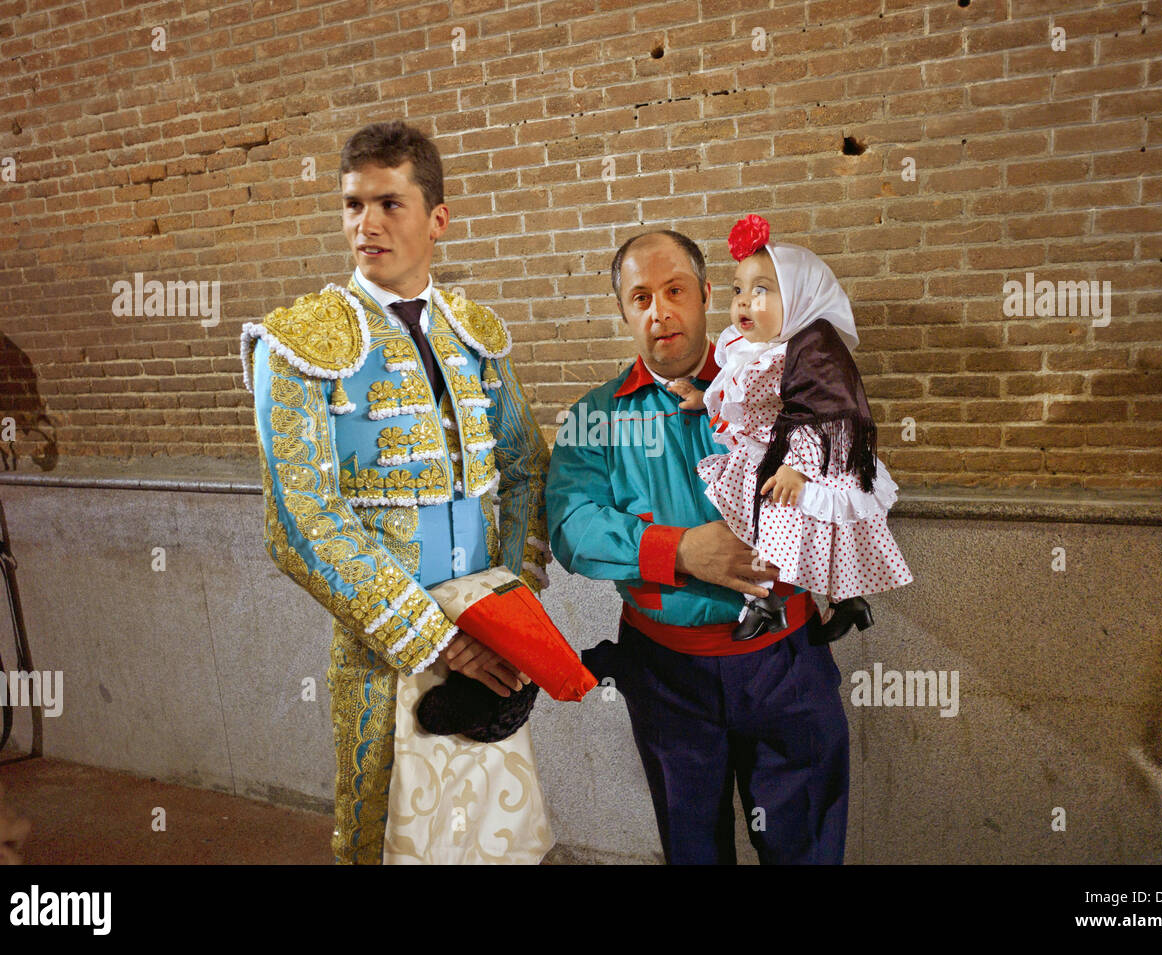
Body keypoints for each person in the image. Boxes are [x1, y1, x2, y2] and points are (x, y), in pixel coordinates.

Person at [241, 121, 553, 864]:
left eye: (389, 203)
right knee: (392, 842)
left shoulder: (476, 334)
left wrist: (506, 609)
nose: (365, 224)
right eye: (352, 204)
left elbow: (525, 466)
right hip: (387, 653)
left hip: (490, 643)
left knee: (491, 836)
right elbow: (298, 521)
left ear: (437, 219)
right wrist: (443, 638)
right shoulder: (296, 345)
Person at [546, 229, 851, 864]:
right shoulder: (592, 419)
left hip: (786, 660)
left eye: (676, 290)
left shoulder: (780, 385)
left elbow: (842, 464)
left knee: (804, 848)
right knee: (693, 851)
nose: (661, 311)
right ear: (625, 311)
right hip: (667, 675)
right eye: (641, 297)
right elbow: (572, 527)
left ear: (708, 294)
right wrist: (680, 551)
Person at [667, 214, 913, 641]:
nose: (743, 302)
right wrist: (701, 398)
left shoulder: (812, 351)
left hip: (803, 460)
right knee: (768, 531)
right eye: (738, 290)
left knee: (774, 531)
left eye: (761, 290)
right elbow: (742, 396)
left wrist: (797, 467)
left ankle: (769, 601)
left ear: (799, 298)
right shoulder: (751, 346)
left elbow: (826, 414)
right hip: (768, 451)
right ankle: (839, 599)